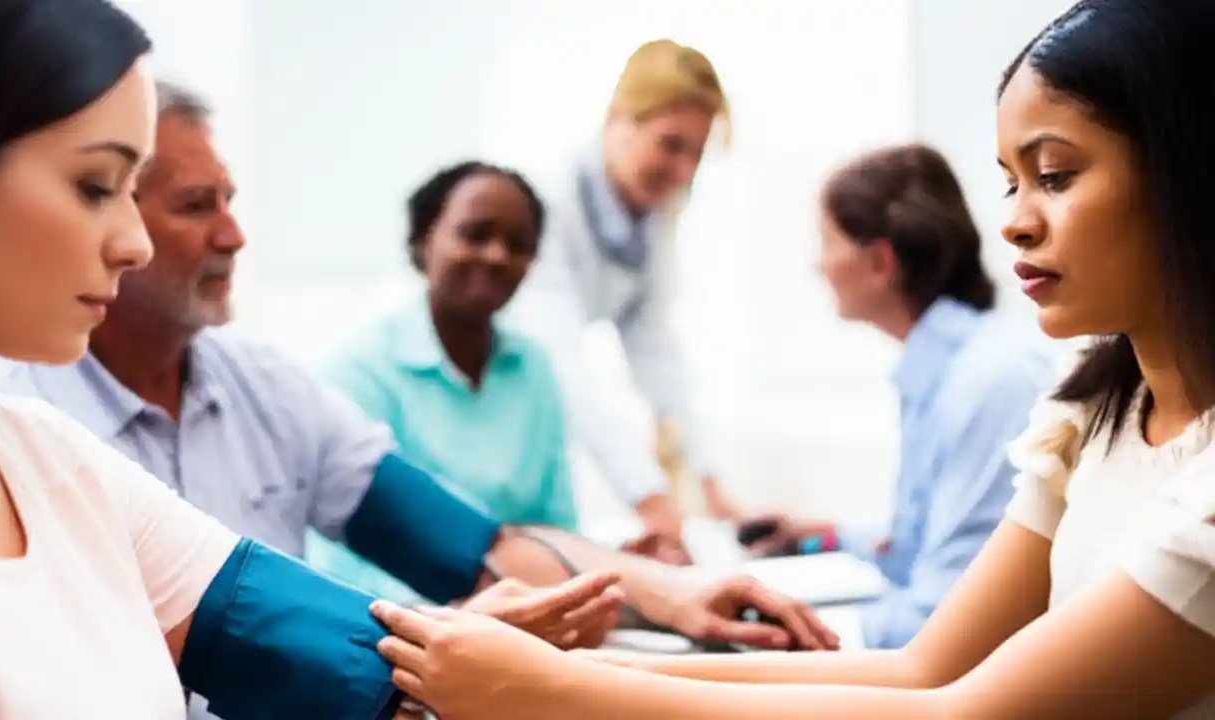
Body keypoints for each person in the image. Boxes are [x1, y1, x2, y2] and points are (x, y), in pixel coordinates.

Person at [371, 1, 1215, 716]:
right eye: (1010, 183)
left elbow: (961, 707)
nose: (1016, 223)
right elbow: (924, 670)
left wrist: (553, 686)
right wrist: (571, 671)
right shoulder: (1083, 414)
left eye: (1056, 175)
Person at [0, 73, 839, 713]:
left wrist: (665, 590)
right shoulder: (25, 430)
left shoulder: (267, 389)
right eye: (197, 205)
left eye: (231, 200)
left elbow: (473, 545)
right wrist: (451, 642)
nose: (235, 234)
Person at [733, 144, 1056, 649]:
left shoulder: (991, 380)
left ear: (881, 261)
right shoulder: (951, 367)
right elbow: (926, 545)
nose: (818, 265)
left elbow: (945, 614)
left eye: (827, 241)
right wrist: (829, 534)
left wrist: (791, 635)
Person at [306, 161, 579, 603]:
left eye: (518, 244)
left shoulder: (534, 369)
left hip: (522, 617)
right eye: (475, 234)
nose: (496, 255)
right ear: (421, 243)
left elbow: (558, 528)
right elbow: (338, 558)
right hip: (403, 629)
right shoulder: (359, 371)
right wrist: (470, 607)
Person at [505, 39, 739, 554]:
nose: (683, 170)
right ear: (619, 120)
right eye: (671, 144)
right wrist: (649, 497)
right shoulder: (547, 198)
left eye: (696, 154)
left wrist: (708, 480)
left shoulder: (653, 212)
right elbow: (563, 365)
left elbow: (653, 344)